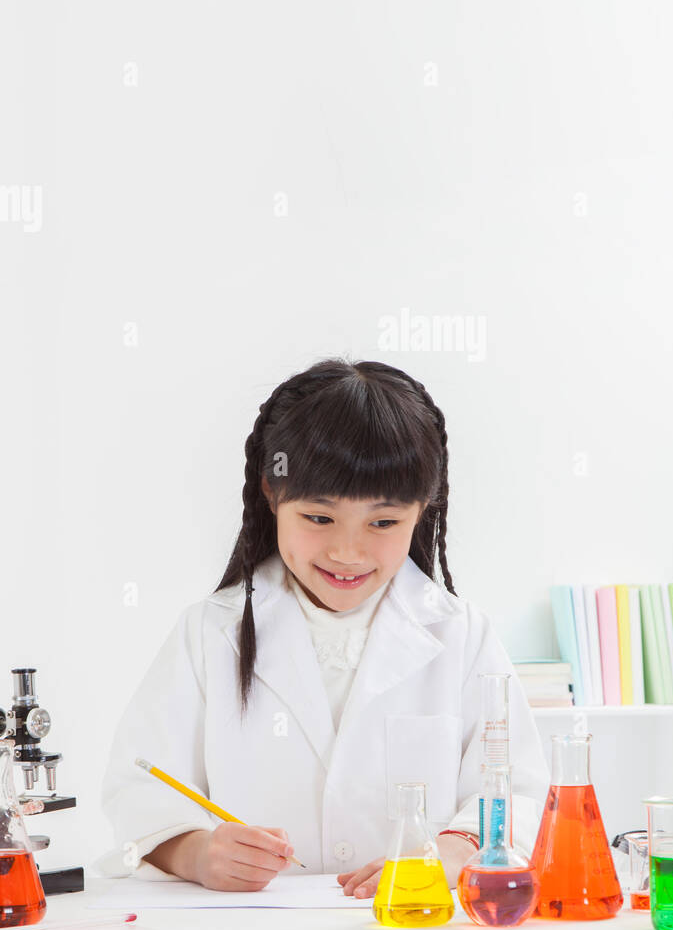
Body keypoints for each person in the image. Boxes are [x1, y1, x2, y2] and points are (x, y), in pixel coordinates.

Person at [96, 358, 550, 896]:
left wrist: (451, 852)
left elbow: (518, 792)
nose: (347, 552)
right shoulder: (208, 632)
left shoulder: (462, 636)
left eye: (383, 523)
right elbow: (137, 786)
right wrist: (195, 852)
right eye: (319, 518)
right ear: (272, 494)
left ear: (423, 509)